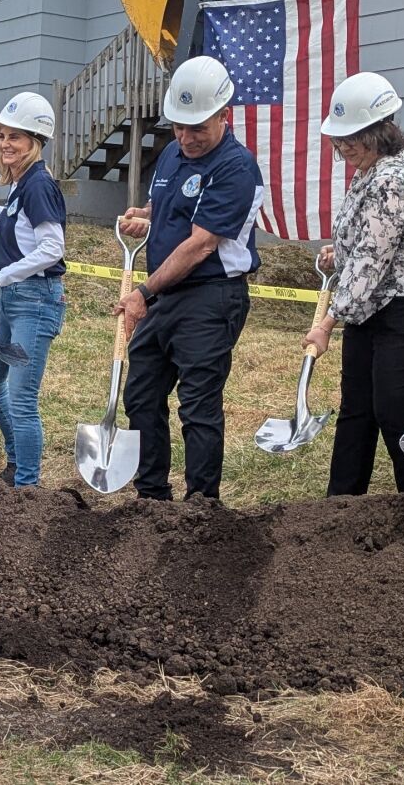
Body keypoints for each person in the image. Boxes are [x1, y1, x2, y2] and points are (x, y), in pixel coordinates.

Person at [301, 72, 404, 498]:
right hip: (378, 301)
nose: (343, 146)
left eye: (353, 136)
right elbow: (373, 241)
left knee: (394, 407)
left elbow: (371, 262)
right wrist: (340, 253)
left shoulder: (394, 178)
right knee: (357, 407)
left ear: (382, 130)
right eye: (338, 138)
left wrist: (327, 323)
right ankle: (340, 507)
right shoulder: (368, 173)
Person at [115, 56, 264, 502]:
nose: (186, 137)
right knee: (141, 393)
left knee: (198, 405)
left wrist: (142, 292)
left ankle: (201, 506)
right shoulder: (171, 154)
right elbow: (168, 207)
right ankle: (151, 496)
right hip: (165, 294)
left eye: (197, 127)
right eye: (179, 126)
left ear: (224, 114)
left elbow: (201, 245)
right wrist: (145, 217)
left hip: (210, 296)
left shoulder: (236, 167)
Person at [0, 92, 66, 489]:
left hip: (34, 303)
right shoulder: (21, 184)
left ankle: (27, 487)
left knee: (22, 398)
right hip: (12, 303)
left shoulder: (39, 184)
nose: (6, 144)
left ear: (36, 142)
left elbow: (52, 248)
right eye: (3, 136)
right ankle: (16, 462)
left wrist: (1, 276)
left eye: (16, 138)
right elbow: (23, 222)